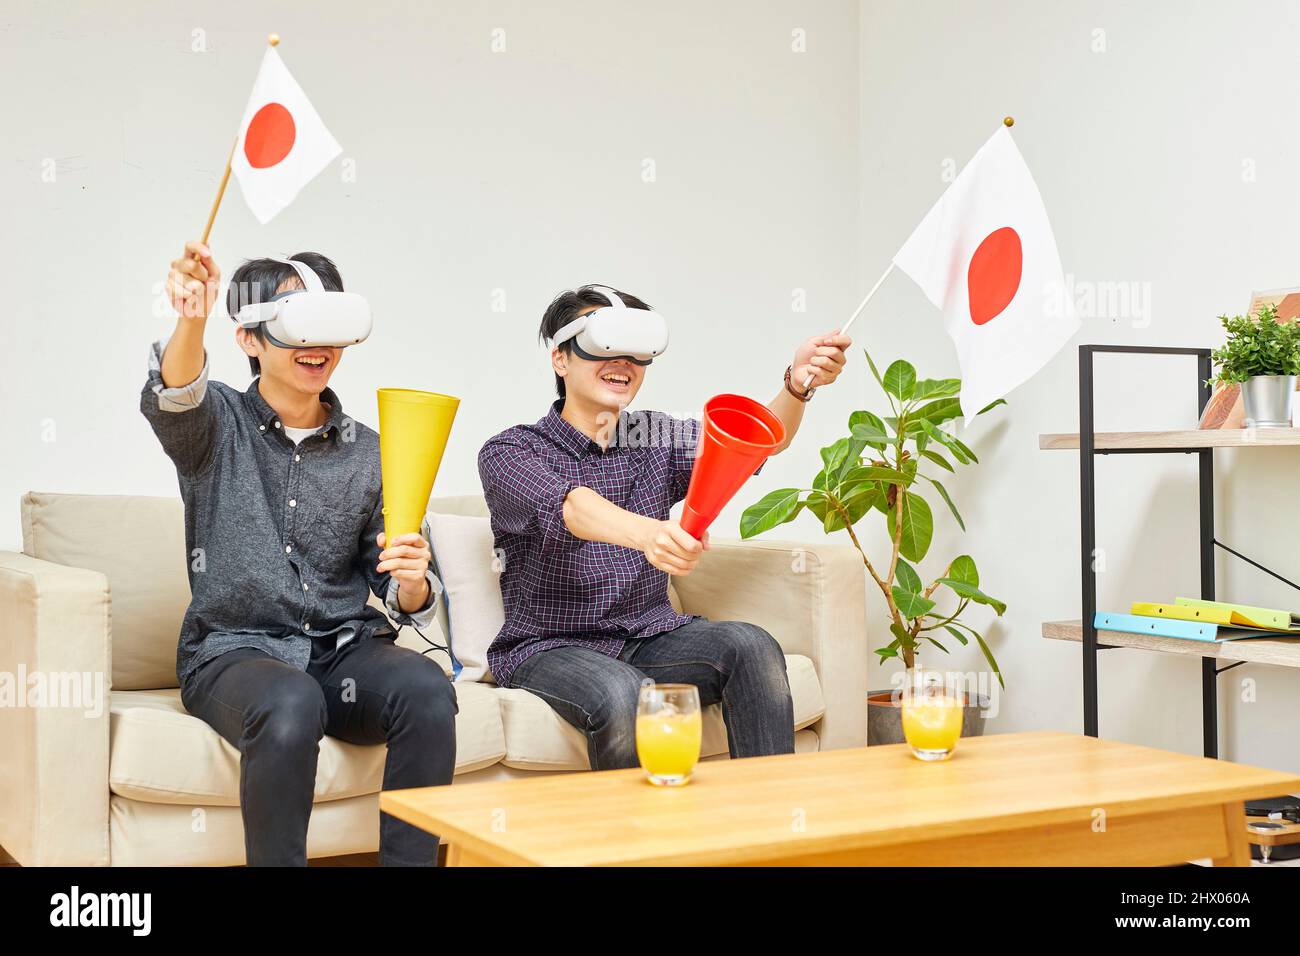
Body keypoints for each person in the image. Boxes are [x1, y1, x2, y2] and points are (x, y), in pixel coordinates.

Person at [140, 240, 457, 866]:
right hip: (234, 651)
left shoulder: (370, 450)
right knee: (292, 700)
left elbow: (396, 587)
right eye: (294, 325)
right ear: (251, 340)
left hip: (341, 650)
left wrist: (415, 583)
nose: (317, 346)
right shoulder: (215, 427)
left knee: (425, 687)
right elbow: (175, 391)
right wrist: (192, 315)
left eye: (328, 326)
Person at [478, 284, 850, 769]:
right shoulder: (510, 451)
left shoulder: (654, 435)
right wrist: (651, 535)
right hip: (551, 645)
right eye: (604, 347)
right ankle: (642, 842)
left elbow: (757, 443)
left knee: (751, 646)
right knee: (625, 693)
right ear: (560, 359)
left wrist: (798, 384)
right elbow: (572, 507)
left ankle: (768, 827)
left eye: (637, 352)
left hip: (651, 635)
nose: (623, 362)